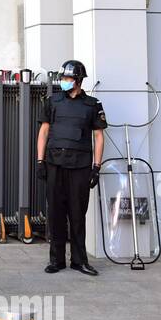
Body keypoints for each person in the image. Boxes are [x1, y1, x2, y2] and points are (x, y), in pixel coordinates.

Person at [36, 59, 107, 276]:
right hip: (55, 164)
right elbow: (44, 132)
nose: (64, 82)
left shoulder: (92, 105)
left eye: (67, 78)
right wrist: (40, 161)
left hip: (80, 167)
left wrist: (96, 167)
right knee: (56, 214)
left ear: (77, 80)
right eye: (63, 78)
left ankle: (79, 260)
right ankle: (56, 260)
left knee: (78, 215)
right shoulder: (53, 101)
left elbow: (98, 136)